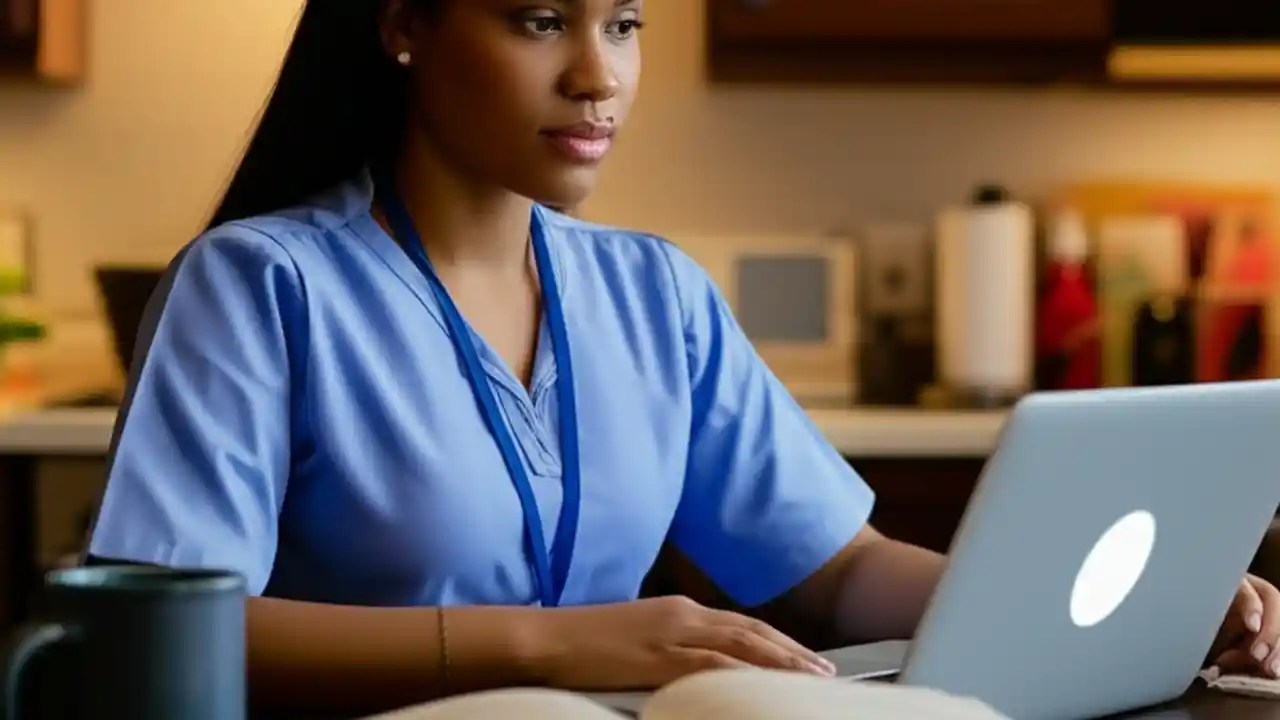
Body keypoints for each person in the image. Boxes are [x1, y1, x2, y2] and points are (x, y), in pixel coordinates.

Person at [86, 0, 1280, 716]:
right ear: (402, 23)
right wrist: (559, 642)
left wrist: (1142, 607)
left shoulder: (653, 294)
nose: (597, 75)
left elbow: (840, 571)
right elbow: (178, 633)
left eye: (623, 22)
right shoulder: (259, 286)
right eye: (539, 19)